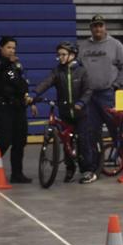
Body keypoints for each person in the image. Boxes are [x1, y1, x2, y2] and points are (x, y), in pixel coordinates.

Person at [78, 14, 123, 182]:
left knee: (118, 130)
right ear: (91, 28)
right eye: (95, 26)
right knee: (91, 133)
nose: (98, 29)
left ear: (105, 27)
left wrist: (116, 85)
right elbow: (77, 69)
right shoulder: (83, 46)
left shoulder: (115, 45)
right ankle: (93, 168)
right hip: (88, 96)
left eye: (101, 25)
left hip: (108, 95)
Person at [32, 41, 93, 183]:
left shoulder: (82, 71)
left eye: (63, 54)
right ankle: (70, 168)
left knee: (83, 141)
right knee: (67, 142)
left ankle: (88, 170)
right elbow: (46, 82)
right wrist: (35, 94)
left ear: (72, 55)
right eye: (59, 55)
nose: (60, 57)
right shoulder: (58, 71)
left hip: (81, 113)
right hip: (65, 113)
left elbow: (88, 90)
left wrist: (81, 103)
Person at [0, 36, 35, 184]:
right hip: (3, 107)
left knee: (20, 141)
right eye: (8, 47)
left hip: (18, 106)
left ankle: (17, 173)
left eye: (13, 48)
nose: (12, 50)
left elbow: (23, 84)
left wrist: (29, 99)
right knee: (4, 141)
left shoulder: (17, 65)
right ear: (1, 48)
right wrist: (8, 63)